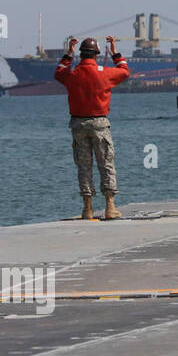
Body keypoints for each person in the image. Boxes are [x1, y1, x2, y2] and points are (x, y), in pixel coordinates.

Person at [54, 36, 130, 220]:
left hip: (78, 124)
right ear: (96, 55)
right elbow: (124, 72)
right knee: (106, 164)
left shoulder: (73, 74)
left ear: (81, 55)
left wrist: (68, 54)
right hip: (99, 124)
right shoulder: (105, 73)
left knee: (84, 166)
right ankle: (110, 206)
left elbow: (59, 73)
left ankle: (87, 208)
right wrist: (115, 53)